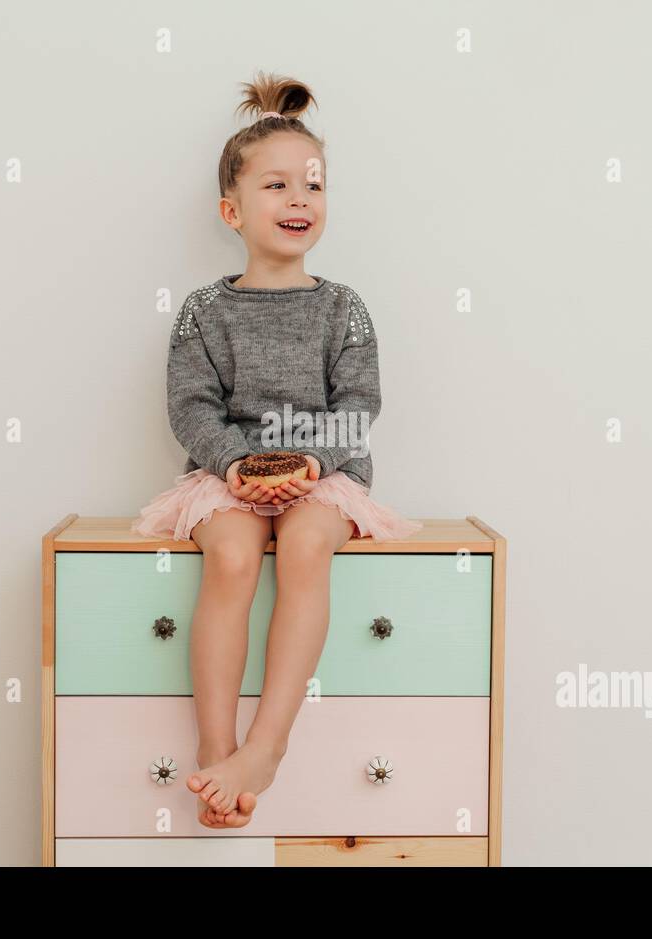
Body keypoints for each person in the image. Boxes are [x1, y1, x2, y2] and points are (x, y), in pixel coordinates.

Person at [131, 71, 422, 829]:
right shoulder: (204, 311)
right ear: (231, 209)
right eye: (278, 185)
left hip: (323, 473)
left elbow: (359, 406)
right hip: (229, 473)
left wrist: (308, 465)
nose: (300, 199)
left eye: (314, 185)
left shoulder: (342, 307)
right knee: (230, 557)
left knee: (303, 550)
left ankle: (266, 745)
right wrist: (234, 467)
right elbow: (190, 408)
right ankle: (215, 750)